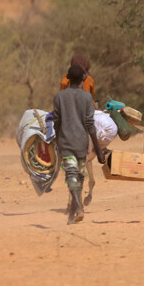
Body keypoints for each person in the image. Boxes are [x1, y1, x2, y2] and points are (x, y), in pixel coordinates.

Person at [53, 64, 105, 224]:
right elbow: (90, 124)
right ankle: (75, 211)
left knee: (71, 176)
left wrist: (56, 140)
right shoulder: (87, 98)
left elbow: (56, 121)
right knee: (80, 176)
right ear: (82, 80)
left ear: (68, 80)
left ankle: (78, 209)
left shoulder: (59, 97)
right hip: (82, 144)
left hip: (66, 142)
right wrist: (98, 149)